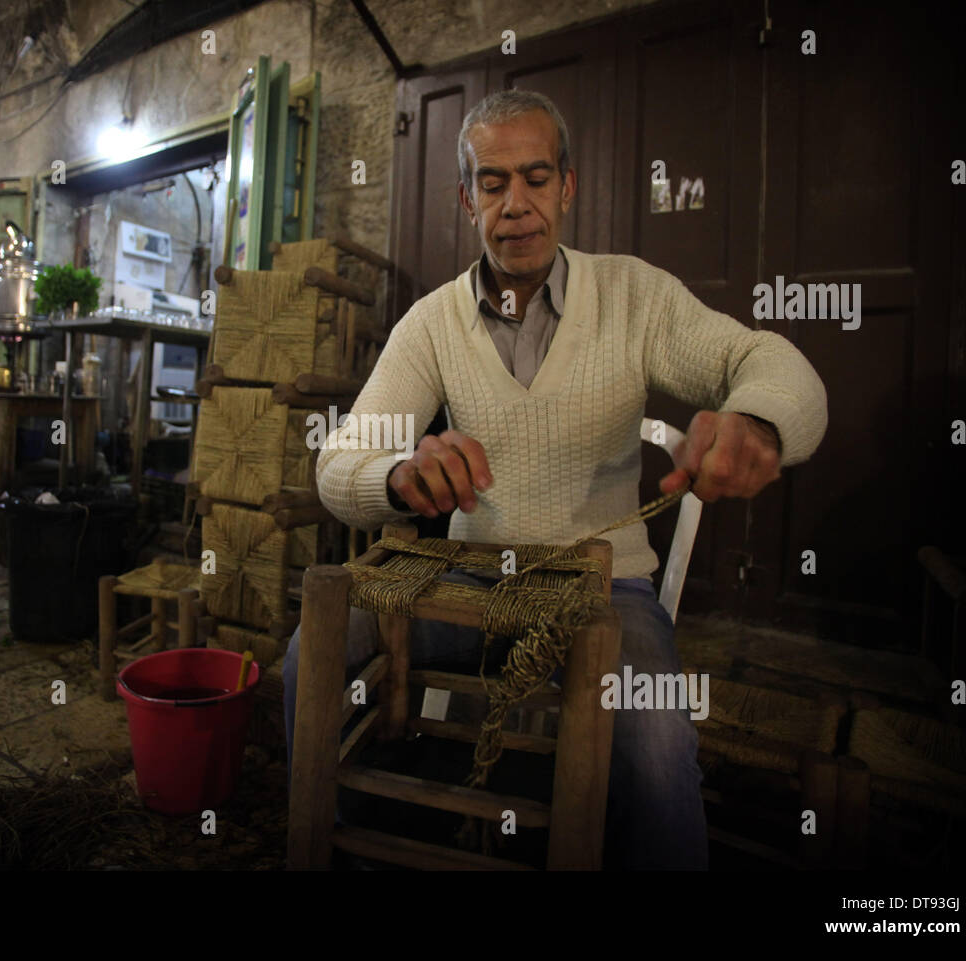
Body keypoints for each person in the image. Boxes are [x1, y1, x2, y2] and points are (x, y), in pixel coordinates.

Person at [283, 90, 828, 869]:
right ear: (466, 197)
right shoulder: (432, 323)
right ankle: (366, 848)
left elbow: (774, 365)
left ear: (568, 186)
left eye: (537, 178)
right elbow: (337, 465)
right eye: (494, 182)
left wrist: (758, 422)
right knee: (312, 657)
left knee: (653, 739)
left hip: (609, 590)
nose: (517, 205)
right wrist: (399, 474)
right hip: (465, 581)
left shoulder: (634, 296)